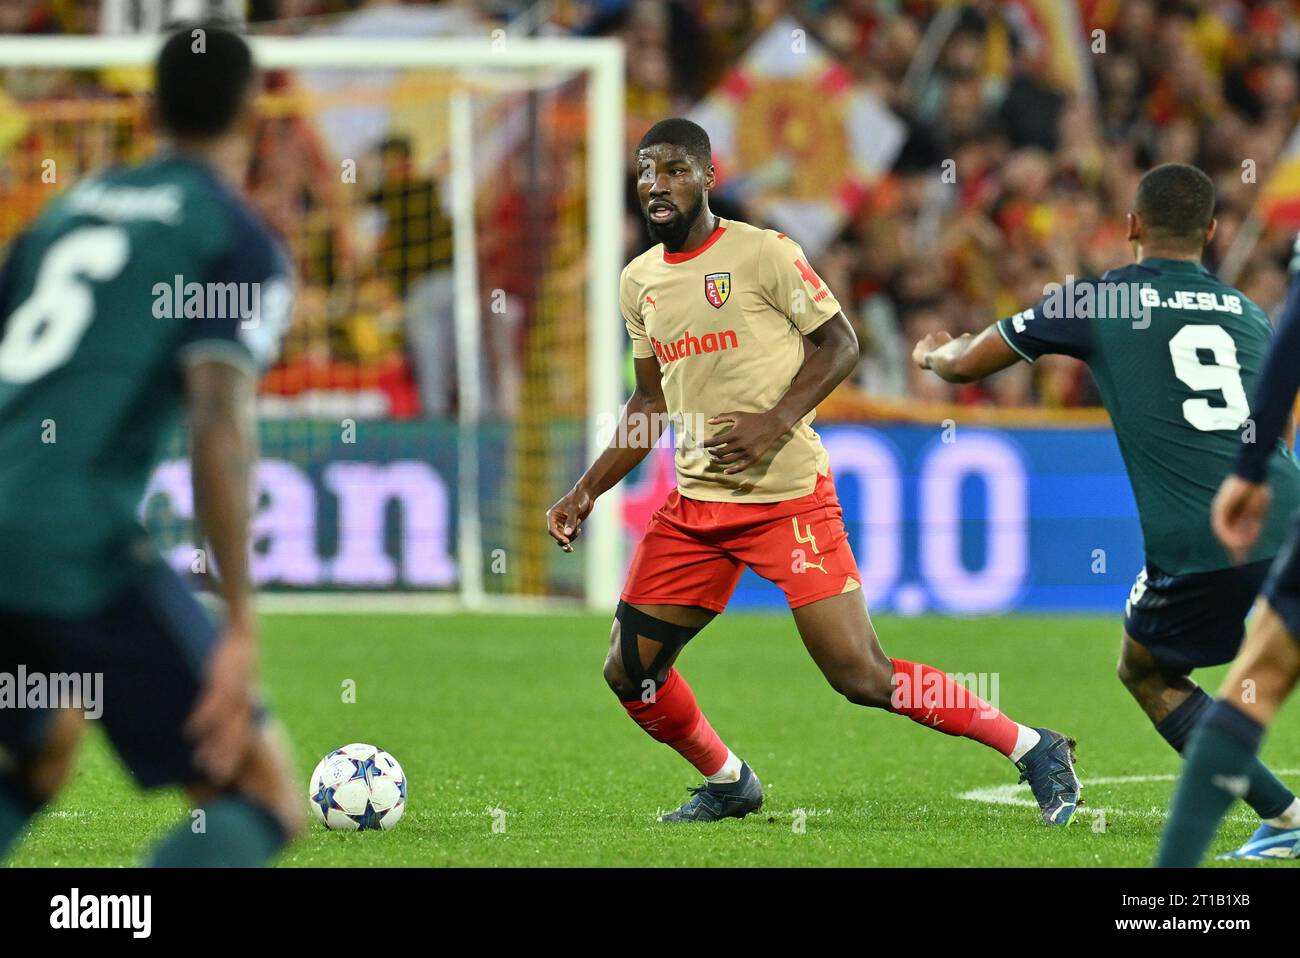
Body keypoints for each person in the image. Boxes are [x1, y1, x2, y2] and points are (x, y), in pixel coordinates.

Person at [546, 117, 1080, 825]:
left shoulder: (763, 253)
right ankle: (730, 781)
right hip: (697, 510)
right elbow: (649, 400)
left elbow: (840, 344)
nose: (656, 185)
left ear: (708, 176)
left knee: (859, 674)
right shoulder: (638, 281)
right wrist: (585, 491)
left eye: (674, 169)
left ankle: (1033, 746)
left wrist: (774, 422)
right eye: (646, 172)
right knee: (630, 672)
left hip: (787, 500)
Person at [913, 163, 1300, 858]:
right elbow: (1280, 417)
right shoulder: (1248, 311)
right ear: (1211, 233)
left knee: (1146, 670)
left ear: (1130, 229)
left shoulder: (1102, 301)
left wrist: (938, 357)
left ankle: (1282, 814)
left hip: (1201, 537)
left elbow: (972, 363)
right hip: (1287, 509)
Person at [0, 23, 300, 866]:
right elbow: (216, 417)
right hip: (72, 540)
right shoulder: (231, 237)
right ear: (254, 112)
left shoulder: (61, 217)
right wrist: (239, 620)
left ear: (147, 107)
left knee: (43, 742)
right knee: (261, 794)